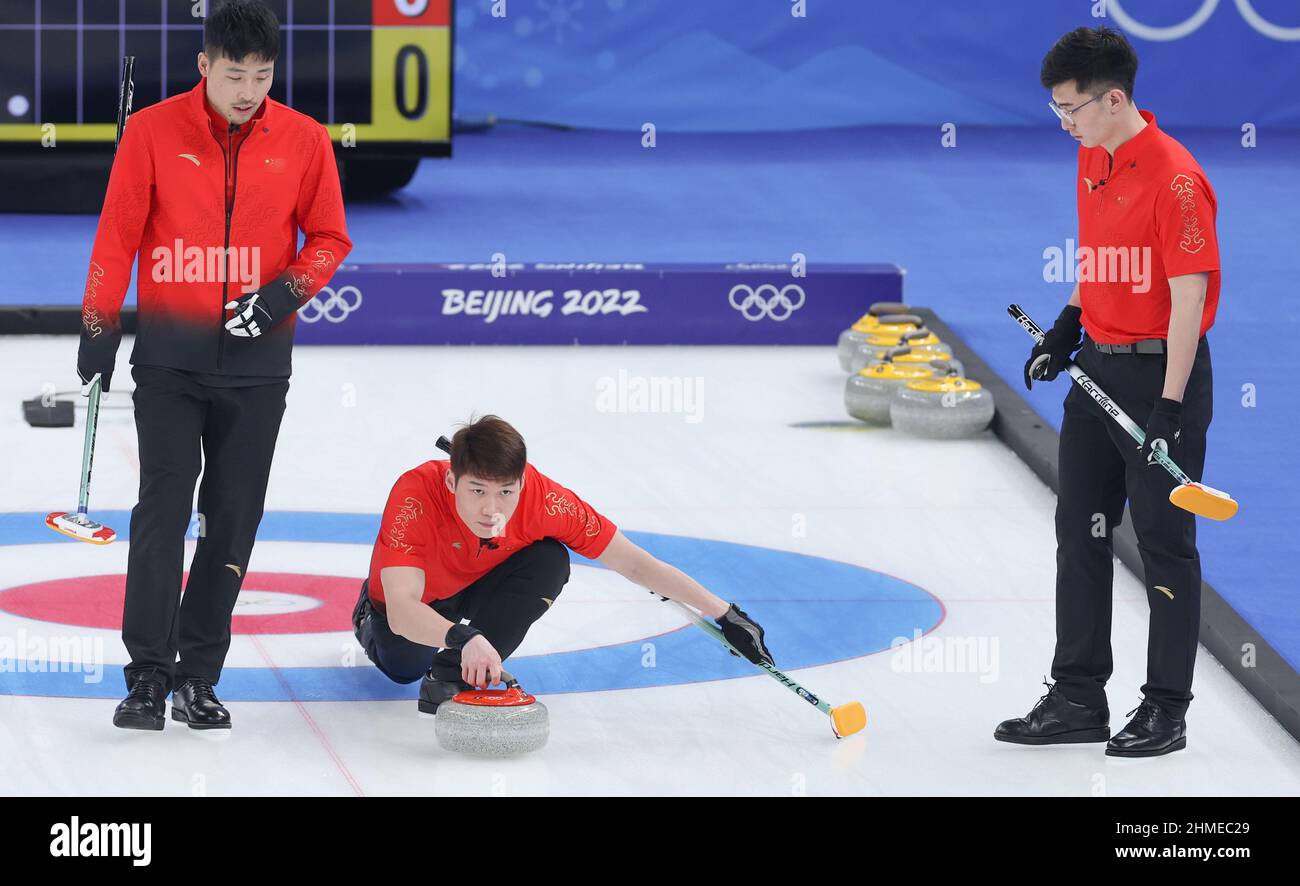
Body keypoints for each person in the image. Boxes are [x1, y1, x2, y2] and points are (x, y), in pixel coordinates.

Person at [77, 0, 352, 730]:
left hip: (259, 372)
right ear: (204, 65)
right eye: (235, 75)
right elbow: (117, 236)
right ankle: (146, 676)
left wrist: (277, 297)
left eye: (262, 76)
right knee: (162, 515)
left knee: (231, 522)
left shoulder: (304, 140)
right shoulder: (152, 132)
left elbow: (328, 239)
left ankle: (198, 675)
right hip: (170, 363)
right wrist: (99, 327)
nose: (248, 91)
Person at [995, 27, 1219, 757]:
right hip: (1096, 367)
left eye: (1070, 108)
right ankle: (1077, 696)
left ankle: (1166, 709)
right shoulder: (1095, 156)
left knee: (1163, 543)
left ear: (1114, 98)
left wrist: (1171, 408)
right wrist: (1068, 324)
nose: (1064, 122)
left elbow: (1188, 302)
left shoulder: (1176, 179)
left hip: (1161, 377)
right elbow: (1100, 261)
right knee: (1081, 531)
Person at [352, 415, 774, 712]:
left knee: (549, 559)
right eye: (477, 491)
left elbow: (634, 563)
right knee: (403, 668)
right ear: (451, 480)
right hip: (407, 611)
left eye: (506, 492)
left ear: (523, 480)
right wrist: (464, 637)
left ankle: (453, 677)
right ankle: (391, 630)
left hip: (476, 586)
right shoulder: (416, 495)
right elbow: (405, 612)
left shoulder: (546, 501)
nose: (491, 508)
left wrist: (725, 613)